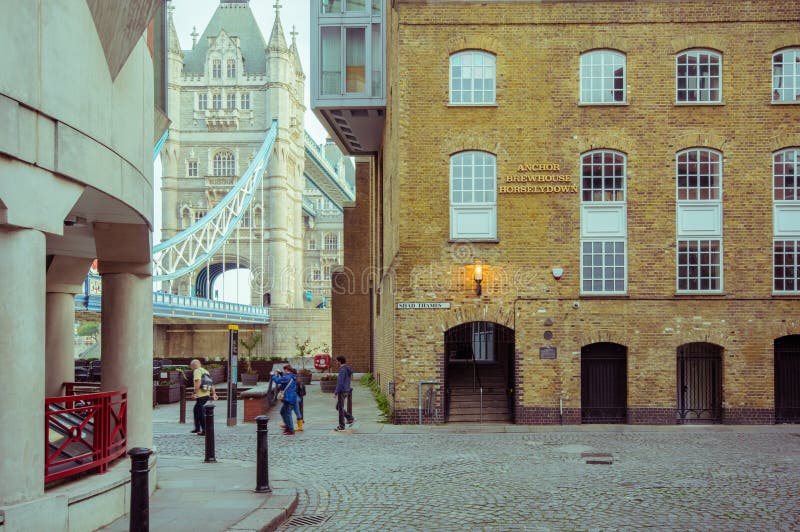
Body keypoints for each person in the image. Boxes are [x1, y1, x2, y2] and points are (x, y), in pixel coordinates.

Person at [190, 359, 217, 435]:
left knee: (201, 412)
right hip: (206, 394)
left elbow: (198, 382)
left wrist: (194, 393)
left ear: (193, 366)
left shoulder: (197, 371)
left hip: (201, 395)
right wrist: (214, 393)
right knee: (196, 410)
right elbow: (211, 383)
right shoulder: (205, 371)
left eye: (191, 366)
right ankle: (197, 428)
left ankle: (205, 430)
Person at [272, 365, 298, 435]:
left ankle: (291, 430)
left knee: (288, 414)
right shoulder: (292, 375)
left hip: (289, 398)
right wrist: (280, 373)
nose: (284, 371)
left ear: (286, 370)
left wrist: (273, 375)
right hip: (291, 397)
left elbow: (278, 380)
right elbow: (285, 377)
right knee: (283, 412)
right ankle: (288, 427)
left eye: (284, 370)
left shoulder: (287, 377)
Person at [334, 356, 355, 431]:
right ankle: (350, 418)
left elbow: (340, 382)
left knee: (340, 408)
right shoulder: (347, 369)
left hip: (342, 391)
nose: (336, 363)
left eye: (336, 361)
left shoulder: (343, 370)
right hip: (346, 390)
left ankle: (341, 426)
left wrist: (336, 392)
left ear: (340, 362)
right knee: (338, 407)